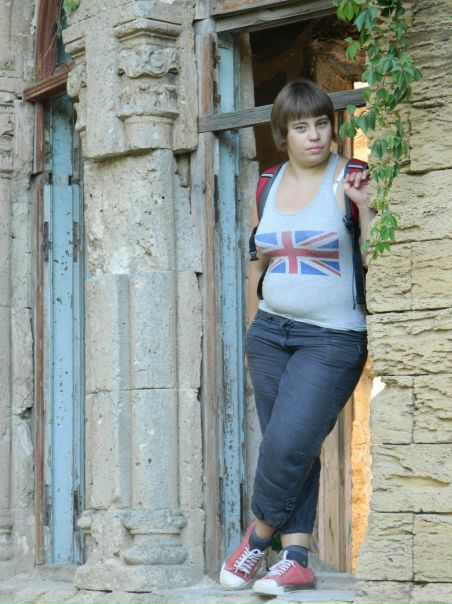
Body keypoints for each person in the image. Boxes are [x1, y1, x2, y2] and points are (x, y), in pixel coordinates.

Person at [219, 79, 376, 597]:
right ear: (282, 134)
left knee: (287, 443)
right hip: (270, 334)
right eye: (301, 126)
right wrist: (253, 324)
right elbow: (257, 258)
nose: (315, 135)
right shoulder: (268, 183)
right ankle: (296, 559)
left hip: (332, 338)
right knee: (295, 448)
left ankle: (257, 538)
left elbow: (376, 258)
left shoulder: (351, 177)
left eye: (322, 123)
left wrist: (365, 208)